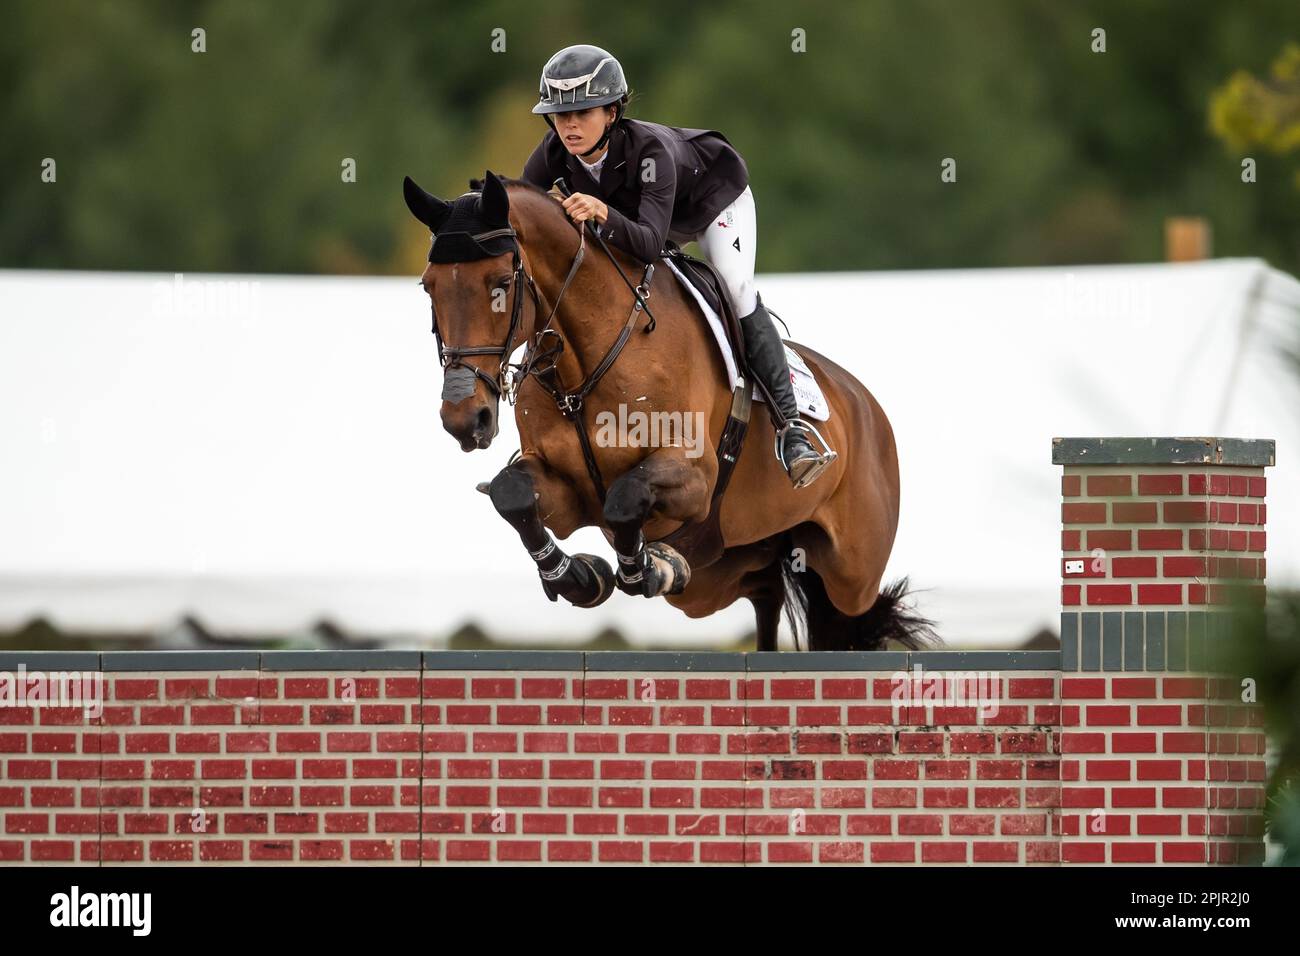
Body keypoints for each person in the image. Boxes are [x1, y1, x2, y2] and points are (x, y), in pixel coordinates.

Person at [520, 44, 836, 489]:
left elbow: (650, 244)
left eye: (583, 112)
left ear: (612, 112)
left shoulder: (650, 152)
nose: (569, 125)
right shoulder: (551, 154)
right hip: (647, 217)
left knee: (735, 286)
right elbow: (517, 215)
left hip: (711, 202)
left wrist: (603, 213)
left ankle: (792, 430)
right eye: (560, 115)